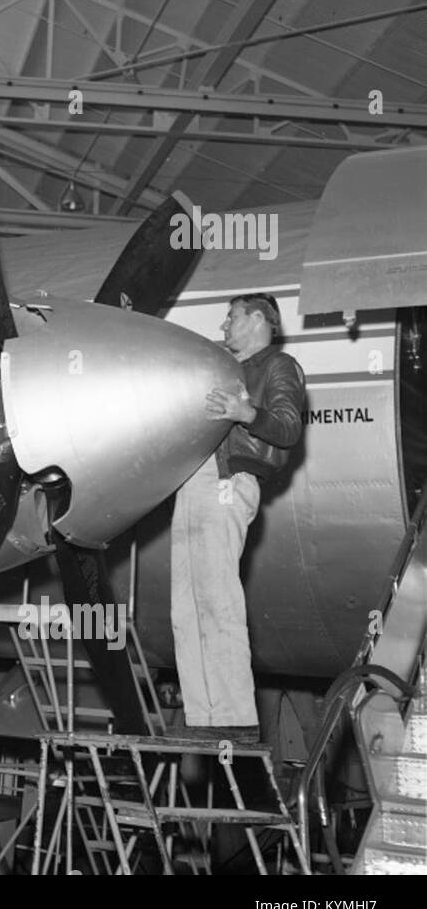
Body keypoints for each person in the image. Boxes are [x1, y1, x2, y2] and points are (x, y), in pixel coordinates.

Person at [169, 293, 306, 743]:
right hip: (197, 479)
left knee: (216, 596)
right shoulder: (224, 366)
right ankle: (204, 715)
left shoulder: (279, 366)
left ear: (256, 319)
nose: (225, 324)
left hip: (230, 479)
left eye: (232, 316)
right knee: (187, 601)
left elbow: (286, 427)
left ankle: (233, 716)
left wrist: (245, 412)